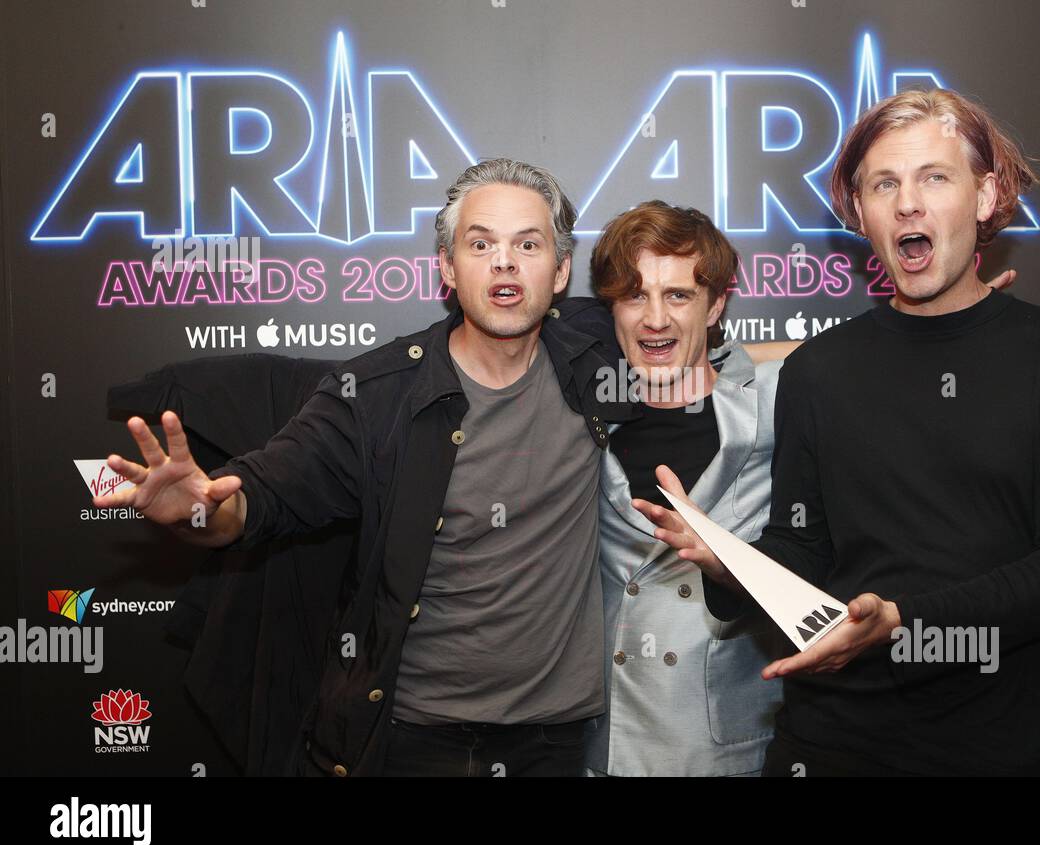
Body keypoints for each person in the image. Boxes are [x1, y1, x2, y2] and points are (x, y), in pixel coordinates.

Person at [632, 88, 1040, 776]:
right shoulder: (818, 371)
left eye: (933, 177)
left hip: (1004, 749)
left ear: (984, 194)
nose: (907, 201)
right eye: (884, 184)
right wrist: (734, 565)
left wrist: (904, 619)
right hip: (832, 747)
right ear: (862, 213)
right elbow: (804, 543)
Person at [93, 158, 637, 777]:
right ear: (447, 268)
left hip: (557, 744)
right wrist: (200, 510)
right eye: (480, 243)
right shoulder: (371, 396)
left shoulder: (594, 355)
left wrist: (774, 374)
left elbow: (695, 357)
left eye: (528, 245)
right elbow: (263, 499)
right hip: (410, 740)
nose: (504, 262)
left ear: (562, 271)